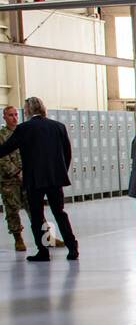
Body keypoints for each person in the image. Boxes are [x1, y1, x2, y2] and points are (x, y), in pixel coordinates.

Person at [0, 97, 78, 262]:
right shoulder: (58, 127)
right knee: (60, 213)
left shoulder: (24, 128)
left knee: (36, 216)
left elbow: (6, 148)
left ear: (27, 110)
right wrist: (59, 171)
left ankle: (43, 251)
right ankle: (72, 248)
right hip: (55, 179)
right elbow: (67, 152)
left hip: (34, 180)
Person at [1, 105, 28, 252]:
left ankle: (46, 236)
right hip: (9, 180)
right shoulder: (2, 135)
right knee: (12, 210)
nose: (14, 118)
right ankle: (18, 238)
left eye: (16, 115)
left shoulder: (23, 132)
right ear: (4, 117)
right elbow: (2, 158)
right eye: (10, 115)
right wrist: (17, 172)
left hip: (27, 178)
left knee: (35, 208)